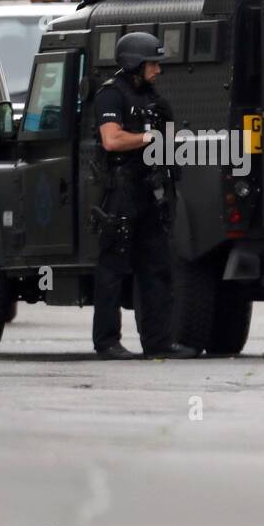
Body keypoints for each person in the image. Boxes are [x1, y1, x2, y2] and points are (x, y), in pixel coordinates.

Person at [90, 32, 199, 360]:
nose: (158, 70)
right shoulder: (110, 96)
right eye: (153, 63)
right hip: (121, 191)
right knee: (113, 269)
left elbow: (166, 140)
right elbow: (111, 140)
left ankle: (158, 343)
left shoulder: (154, 100)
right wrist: (148, 138)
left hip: (152, 192)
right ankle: (107, 342)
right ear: (134, 63)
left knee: (157, 269)